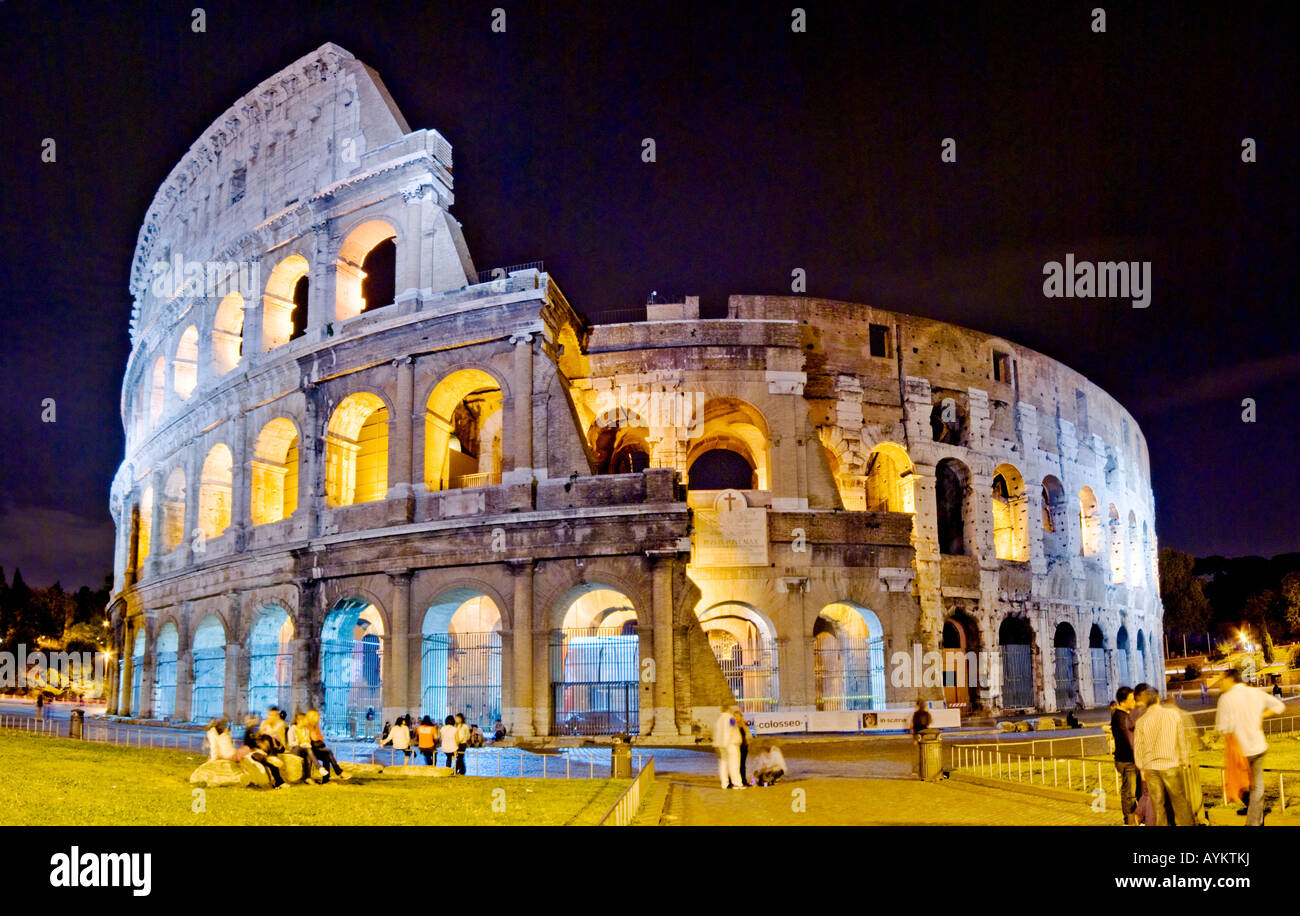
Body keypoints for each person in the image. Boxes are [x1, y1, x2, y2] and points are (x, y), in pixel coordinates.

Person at [1216, 664, 1286, 825]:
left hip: (1240, 750)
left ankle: (1253, 818)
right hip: (1258, 746)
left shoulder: (1226, 698)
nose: (1221, 683)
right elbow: (1279, 706)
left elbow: (1222, 727)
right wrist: (1261, 715)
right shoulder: (1255, 692)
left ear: (1230, 679)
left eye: (1222, 680)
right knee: (1256, 786)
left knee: (1242, 784)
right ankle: (1255, 815)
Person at [1133, 685, 1195, 826]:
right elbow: (1181, 739)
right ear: (1158, 698)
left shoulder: (1141, 721)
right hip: (1170, 764)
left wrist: (1141, 768)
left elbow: (1138, 748)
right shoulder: (1172, 715)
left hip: (1151, 768)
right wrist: (1185, 760)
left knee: (1158, 805)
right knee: (1179, 802)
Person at [1111, 687, 1141, 825]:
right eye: (1131, 699)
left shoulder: (1124, 715)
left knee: (1135, 791)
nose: (1134, 702)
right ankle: (1129, 821)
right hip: (1126, 760)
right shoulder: (1120, 717)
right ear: (1123, 701)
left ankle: (1137, 818)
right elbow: (1129, 740)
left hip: (1129, 759)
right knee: (1130, 793)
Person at [242, 715, 286, 788]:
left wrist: (276, 741)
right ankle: (268, 759)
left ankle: (279, 782)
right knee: (257, 756)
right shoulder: (255, 735)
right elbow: (249, 744)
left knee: (273, 764)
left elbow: (282, 749)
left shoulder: (271, 737)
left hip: (267, 754)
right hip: (259, 754)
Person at [305, 710, 348, 781]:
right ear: (311, 717)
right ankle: (339, 772)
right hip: (311, 749)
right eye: (316, 716)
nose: (318, 718)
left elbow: (321, 738)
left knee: (326, 756)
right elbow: (314, 738)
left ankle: (326, 779)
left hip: (317, 747)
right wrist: (317, 738)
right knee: (328, 752)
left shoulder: (316, 726)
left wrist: (317, 737)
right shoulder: (308, 727)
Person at [713, 707, 744, 789]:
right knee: (734, 764)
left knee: (723, 764)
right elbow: (731, 729)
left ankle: (724, 783)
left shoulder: (718, 719)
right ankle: (737, 783)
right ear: (728, 710)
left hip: (721, 745)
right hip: (731, 744)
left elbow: (715, 733)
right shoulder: (731, 718)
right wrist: (726, 742)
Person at [286, 712, 319, 782]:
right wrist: (300, 743)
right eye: (306, 720)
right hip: (295, 749)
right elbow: (290, 743)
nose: (307, 721)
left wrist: (307, 742)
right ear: (300, 720)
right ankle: (318, 767)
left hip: (304, 749)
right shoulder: (292, 729)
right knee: (308, 750)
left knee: (308, 754)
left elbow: (307, 740)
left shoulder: (305, 730)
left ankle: (307, 777)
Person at [736, 710, 752, 786]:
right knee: (736, 764)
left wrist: (743, 724)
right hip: (736, 746)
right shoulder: (733, 724)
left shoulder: (744, 723)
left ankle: (743, 780)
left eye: (738, 716)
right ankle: (735, 780)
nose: (736, 717)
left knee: (742, 764)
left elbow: (748, 733)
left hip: (743, 746)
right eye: (735, 716)